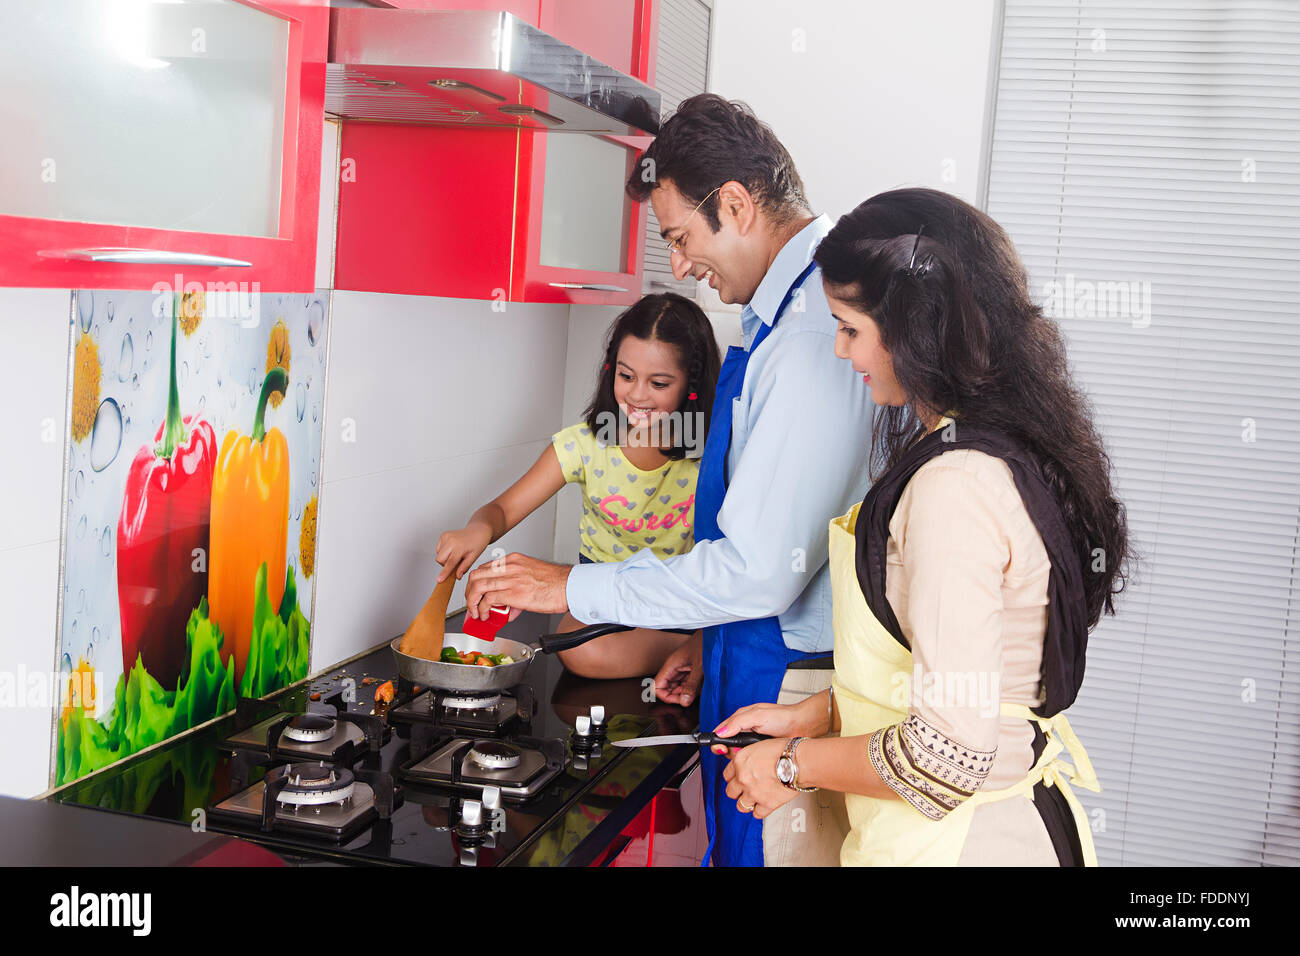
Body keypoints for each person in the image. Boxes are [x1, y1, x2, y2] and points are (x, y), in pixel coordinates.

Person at [464, 94, 875, 867]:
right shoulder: (779, 321)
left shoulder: (815, 334)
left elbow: (759, 572)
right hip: (749, 657)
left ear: (736, 204)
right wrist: (703, 642)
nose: (681, 266)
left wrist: (568, 587)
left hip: (787, 683)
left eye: (681, 239)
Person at [713, 188, 1134, 866]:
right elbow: (969, 687)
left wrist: (792, 765)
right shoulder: (990, 447)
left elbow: (945, 757)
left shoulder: (954, 489)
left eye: (850, 328)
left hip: (970, 846)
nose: (842, 353)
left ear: (917, 326)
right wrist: (819, 714)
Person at [437, 293, 719, 678]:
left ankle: (700, 648)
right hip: (606, 616)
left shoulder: (714, 455)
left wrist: (700, 633)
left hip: (684, 611)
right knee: (579, 645)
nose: (637, 395)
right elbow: (502, 510)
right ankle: (701, 654)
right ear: (610, 370)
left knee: (584, 649)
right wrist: (478, 529)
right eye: (626, 376)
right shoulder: (584, 445)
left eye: (659, 382)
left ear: (692, 384)